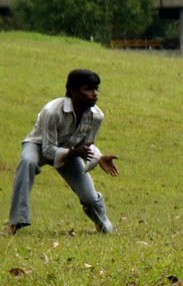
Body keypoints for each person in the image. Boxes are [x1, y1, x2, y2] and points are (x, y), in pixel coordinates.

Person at [7, 69, 120, 235]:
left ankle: (105, 227)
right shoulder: (52, 111)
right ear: (73, 91)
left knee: (89, 197)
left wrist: (99, 157)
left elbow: (86, 145)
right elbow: (48, 150)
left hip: (70, 151)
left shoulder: (96, 116)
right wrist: (73, 153)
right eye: (88, 89)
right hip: (39, 145)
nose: (94, 94)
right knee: (27, 162)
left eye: (96, 89)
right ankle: (15, 223)